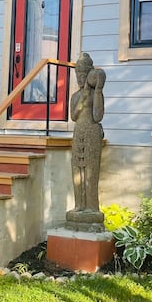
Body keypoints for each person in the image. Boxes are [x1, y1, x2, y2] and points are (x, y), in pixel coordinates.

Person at [68, 52, 105, 222]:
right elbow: (74, 116)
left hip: (91, 132)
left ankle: (92, 207)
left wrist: (97, 90)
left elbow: (98, 116)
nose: (80, 79)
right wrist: (82, 100)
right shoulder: (75, 96)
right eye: (78, 76)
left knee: (90, 170)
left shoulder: (96, 94)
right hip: (79, 131)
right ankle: (79, 205)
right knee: (77, 169)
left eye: (83, 76)